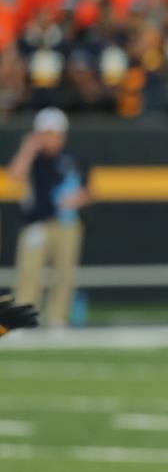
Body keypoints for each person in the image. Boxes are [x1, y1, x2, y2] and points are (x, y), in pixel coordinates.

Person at [10, 107, 87, 329]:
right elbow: (15, 175)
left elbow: (90, 188)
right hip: (36, 223)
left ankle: (57, 319)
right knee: (28, 274)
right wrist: (28, 147)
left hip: (67, 224)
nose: (51, 139)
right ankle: (24, 320)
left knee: (64, 274)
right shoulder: (33, 159)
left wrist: (78, 198)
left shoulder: (71, 158)